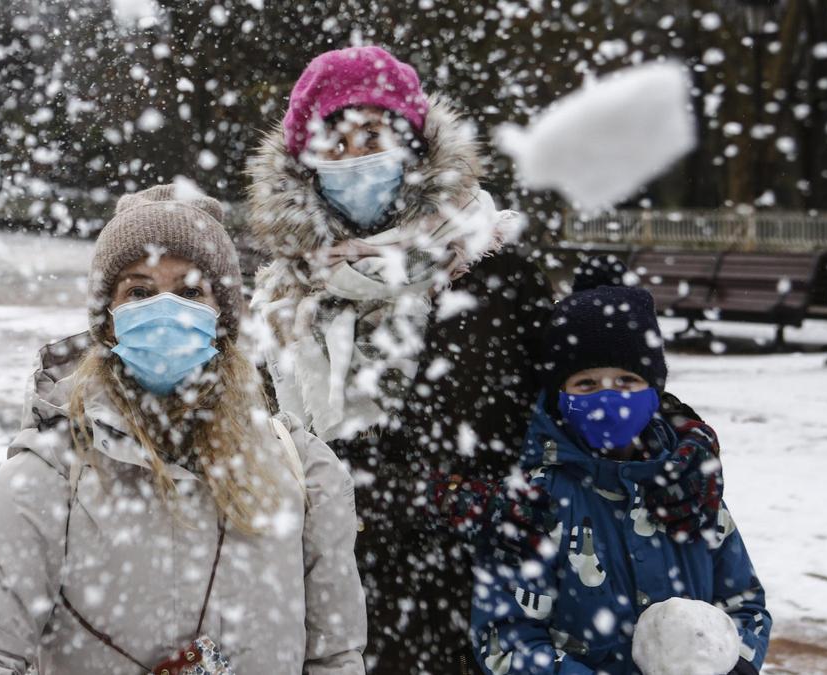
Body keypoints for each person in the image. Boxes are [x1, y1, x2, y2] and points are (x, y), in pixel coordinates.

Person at [244, 46, 724, 674]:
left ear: (416, 146)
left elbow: (577, 404)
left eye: (374, 135)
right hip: (331, 594)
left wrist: (673, 447)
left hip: (480, 592)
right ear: (303, 166)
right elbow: (257, 436)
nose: (356, 157)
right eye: (333, 142)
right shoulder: (283, 297)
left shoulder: (492, 273)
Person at [0, 185, 367, 674]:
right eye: (139, 291)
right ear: (110, 320)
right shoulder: (53, 472)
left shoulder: (303, 469)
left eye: (189, 291)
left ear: (222, 315)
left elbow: (335, 658)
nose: (166, 311)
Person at [471, 258, 770, 674]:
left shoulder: (687, 484)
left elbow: (744, 603)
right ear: (561, 396)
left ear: (654, 390)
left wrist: (733, 663)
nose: (608, 398)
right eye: (587, 384)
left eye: (626, 381)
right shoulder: (535, 503)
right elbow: (506, 639)